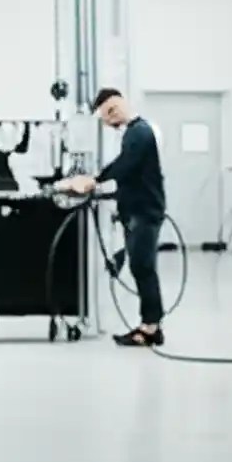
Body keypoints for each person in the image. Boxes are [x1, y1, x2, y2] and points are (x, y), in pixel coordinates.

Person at [61, 88, 167, 347]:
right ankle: (150, 324)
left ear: (113, 109)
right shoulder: (134, 132)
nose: (107, 125)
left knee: (143, 267)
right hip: (135, 210)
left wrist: (93, 180)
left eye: (106, 119)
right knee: (139, 266)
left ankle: (150, 328)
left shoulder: (140, 133)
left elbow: (125, 165)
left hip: (145, 212)